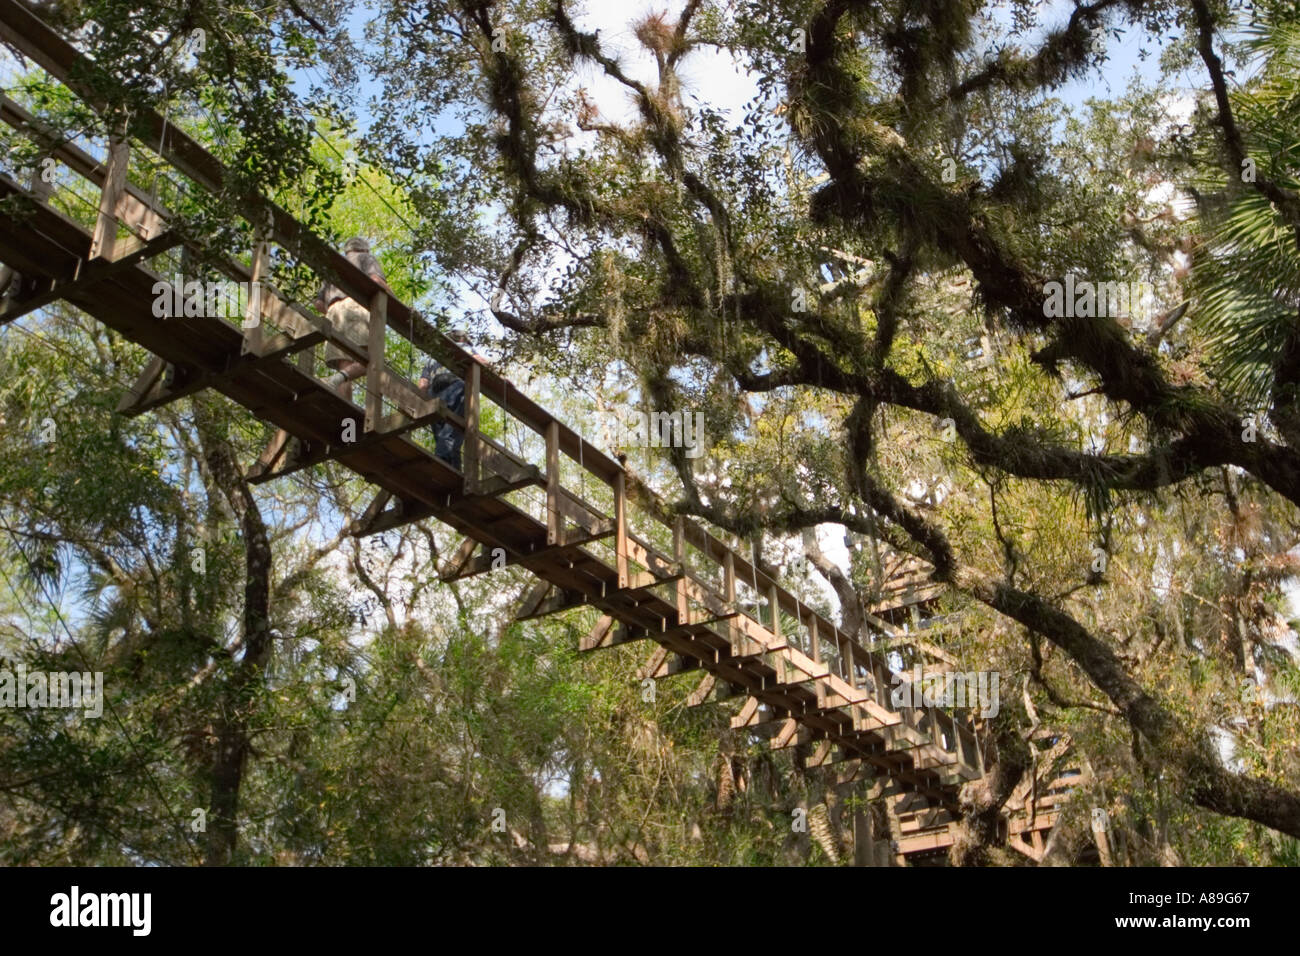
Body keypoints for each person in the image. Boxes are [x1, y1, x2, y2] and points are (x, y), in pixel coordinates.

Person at [313, 237, 391, 400]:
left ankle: (345, 411)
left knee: (344, 365)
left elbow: (319, 304)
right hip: (355, 305)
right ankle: (337, 383)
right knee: (371, 358)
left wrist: (333, 310)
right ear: (364, 249)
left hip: (334, 313)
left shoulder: (334, 268)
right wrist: (395, 300)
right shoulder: (365, 258)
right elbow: (375, 280)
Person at [418, 329, 484, 469]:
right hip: (455, 388)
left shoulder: (433, 357)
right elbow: (479, 360)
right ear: (462, 339)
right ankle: (443, 466)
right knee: (451, 433)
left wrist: (422, 401)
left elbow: (423, 382)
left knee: (443, 434)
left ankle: (452, 468)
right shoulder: (464, 348)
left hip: (434, 394)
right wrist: (501, 376)